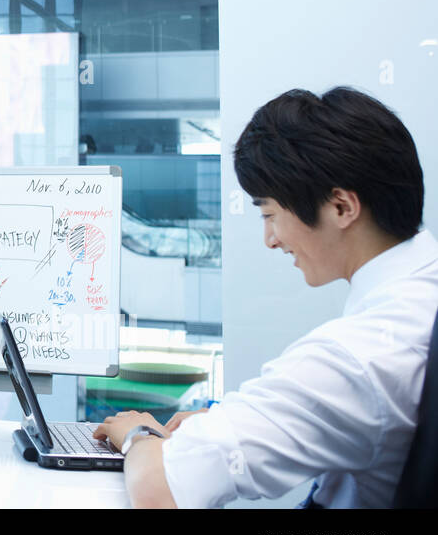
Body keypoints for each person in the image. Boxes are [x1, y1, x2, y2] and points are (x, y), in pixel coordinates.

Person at [93, 86, 436, 507]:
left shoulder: (356, 360)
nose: (270, 240)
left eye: (270, 214)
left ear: (342, 208)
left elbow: (160, 493)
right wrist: (232, 426)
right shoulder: (421, 296)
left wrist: (137, 434)